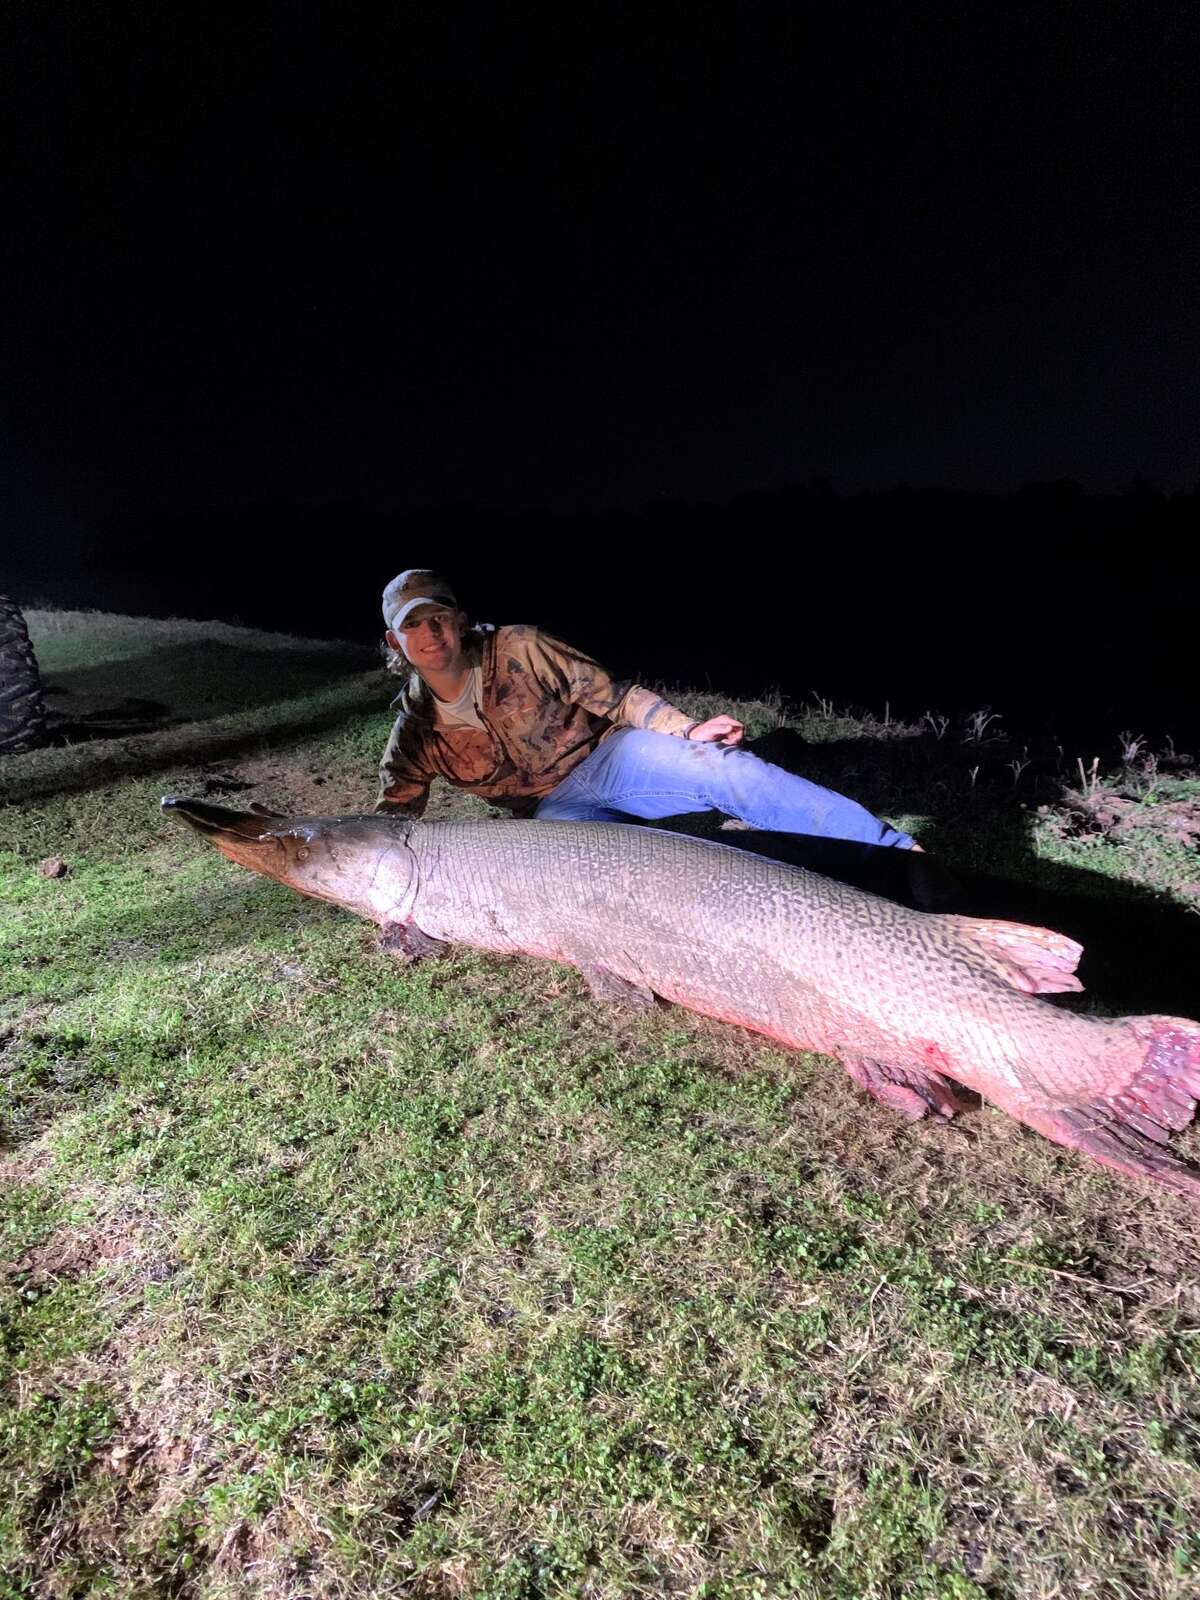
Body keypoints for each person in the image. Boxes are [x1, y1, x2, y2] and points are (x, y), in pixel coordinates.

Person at [374, 569, 925, 856]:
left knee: (721, 767)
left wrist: (688, 728)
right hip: (553, 816)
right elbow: (392, 816)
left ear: (460, 619)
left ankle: (895, 854)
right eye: (412, 626)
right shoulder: (416, 733)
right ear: (395, 643)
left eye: (437, 618)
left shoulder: (522, 647)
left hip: (612, 757)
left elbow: (614, 696)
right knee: (617, 874)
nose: (429, 634)